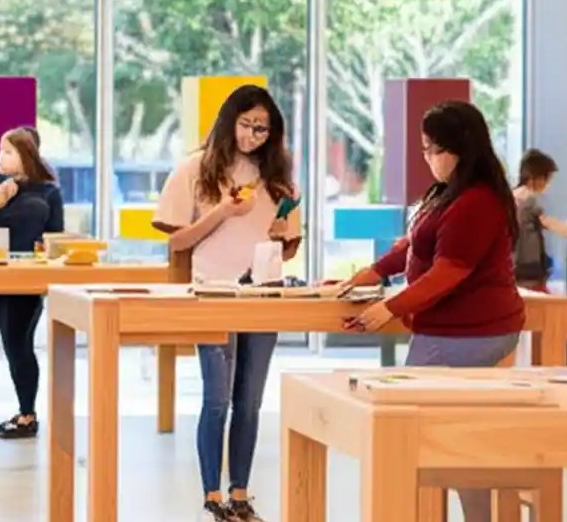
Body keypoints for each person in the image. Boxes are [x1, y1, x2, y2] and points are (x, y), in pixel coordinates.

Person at [338, 100, 523, 522]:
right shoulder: (446, 194)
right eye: (424, 149)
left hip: (466, 332)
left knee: (424, 440)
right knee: (448, 440)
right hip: (452, 330)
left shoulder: (477, 201)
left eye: (434, 149)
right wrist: (368, 274)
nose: (428, 159)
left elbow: (447, 272)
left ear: (461, 147)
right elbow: (412, 249)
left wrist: (389, 307)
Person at [152, 84, 301, 522]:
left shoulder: (277, 178)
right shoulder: (195, 169)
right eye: (247, 124)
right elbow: (177, 242)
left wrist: (281, 239)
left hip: (263, 293)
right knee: (216, 398)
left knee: (250, 400)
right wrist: (222, 211)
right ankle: (211, 495)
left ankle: (241, 492)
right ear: (229, 120)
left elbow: (288, 245)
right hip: (210, 293)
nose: (254, 135)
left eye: (263, 129)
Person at [0, 126, 63, 439]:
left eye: (8, 151)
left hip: (28, 276)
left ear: (26, 154)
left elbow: (55, 236)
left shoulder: (48, 191)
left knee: (18, 341)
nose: (0, 157)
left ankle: (27, 413)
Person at [512, 148, 567, 364]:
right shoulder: (530, 201)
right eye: (547, 179)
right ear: (536, 177)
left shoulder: (509, 198)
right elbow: (552, 223)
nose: (548, 186)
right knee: (564, 320)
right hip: (530, 276)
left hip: (513, 275)